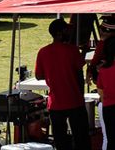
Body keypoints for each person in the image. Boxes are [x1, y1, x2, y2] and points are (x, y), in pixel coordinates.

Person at [34, 19, 89, 150]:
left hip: (56, 103)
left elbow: (38, 75)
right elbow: (79, 68)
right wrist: (85, 51)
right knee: (81, 138)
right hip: (74, 100)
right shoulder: (72, 50)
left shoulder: (43, 52)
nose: (69, 32)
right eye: (66, 30)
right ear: (59, 33)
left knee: (60, 140)